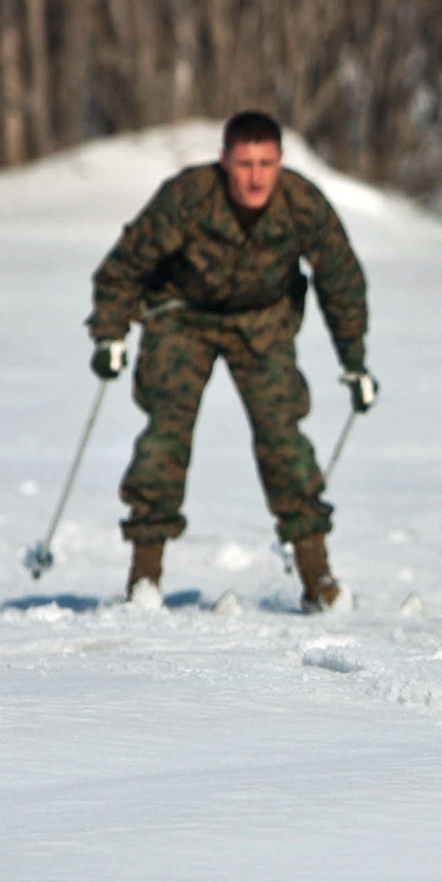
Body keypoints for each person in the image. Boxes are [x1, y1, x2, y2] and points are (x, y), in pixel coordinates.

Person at [86, 110, 376, 611]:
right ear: (224, 161)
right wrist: (110, 334)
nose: (256, 176)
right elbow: (126, 263)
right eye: (244, 163)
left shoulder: (301, 203)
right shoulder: (189, 197)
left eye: (266, 162)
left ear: (281, 161)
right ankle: (144, 579)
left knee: (283, 438)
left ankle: (317, 577)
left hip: (262, 322)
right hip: (182, 317)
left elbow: (341, 277)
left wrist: (354, 361)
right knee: (165, 436)